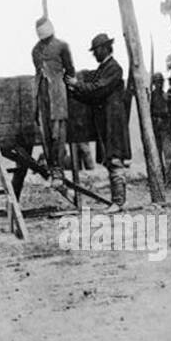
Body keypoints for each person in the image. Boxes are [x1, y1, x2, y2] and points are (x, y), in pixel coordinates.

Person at [70, 32, 131, 213]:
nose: (95, 54)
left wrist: (77, 84)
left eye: (96, 50)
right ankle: (118, 200)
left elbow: (98, 88)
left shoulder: (114, 68)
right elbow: (91, 93)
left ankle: (119, 202)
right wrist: (75, 90)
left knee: (115, 160)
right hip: (105, 122)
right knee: (110, 160)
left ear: (105, 48)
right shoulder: (103, 69)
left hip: (113, 121)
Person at [31, 17, 77, 199]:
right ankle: (52, 167)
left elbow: (70, 70)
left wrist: (67, 86)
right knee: (46, 132)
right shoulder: (35, 50)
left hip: (57, 94)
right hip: (42, 94)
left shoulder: (62, 46)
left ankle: (58, 169)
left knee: (58, 132)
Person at [150, 72, 171, 180]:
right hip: (155, 128)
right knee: (157, 154)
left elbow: (169, 112)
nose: (160, 84)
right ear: (154, 83)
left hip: (165, 127)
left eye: (161, 82)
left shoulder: (165, 96)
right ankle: (160, 176)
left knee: (168, 153)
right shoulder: (151, 97)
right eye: (157, 82)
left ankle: (169, 177)